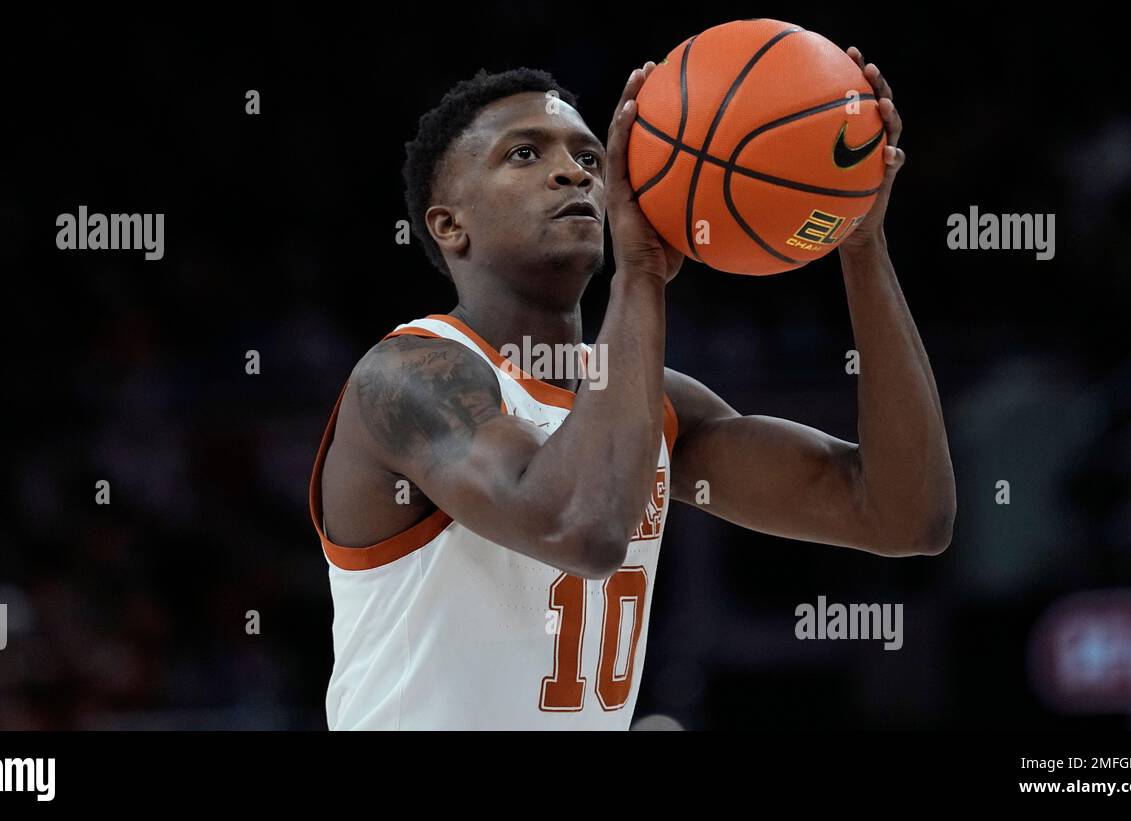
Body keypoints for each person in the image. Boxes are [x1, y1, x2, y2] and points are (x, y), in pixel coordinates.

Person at [309, 48, 954, 729]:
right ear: (449, 224)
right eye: (524, 155)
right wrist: (640, 274)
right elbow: (579, 528)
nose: (573, 173)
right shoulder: (409, 375)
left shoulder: (655, 405)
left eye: (591, 159)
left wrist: (860, 244)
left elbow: (903, 514)